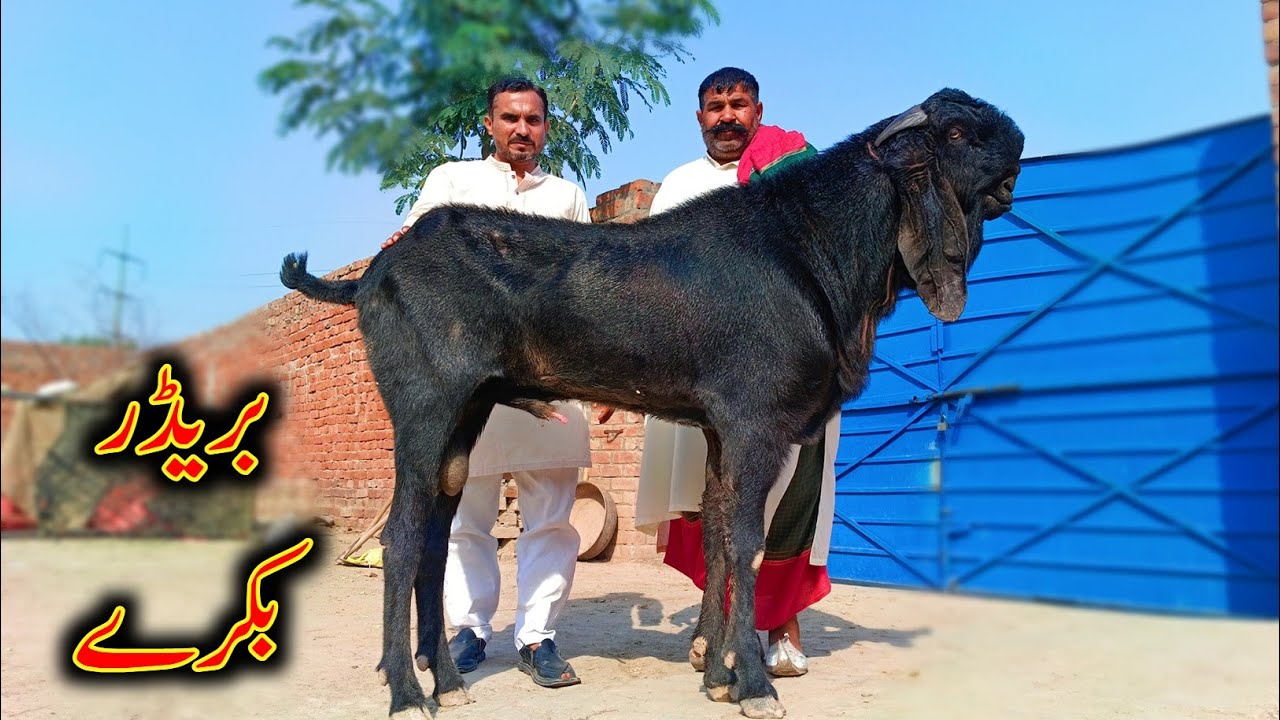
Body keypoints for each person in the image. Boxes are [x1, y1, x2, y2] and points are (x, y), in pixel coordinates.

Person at [634, 67, 841, 678]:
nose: (727, 116)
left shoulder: (798, 178)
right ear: (699, 117)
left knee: (791, 492)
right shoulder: (681, 186)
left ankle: (783, 625)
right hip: (701, 377)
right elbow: (648, 281)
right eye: (714, 106)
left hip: (786, 376)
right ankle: (718, 620)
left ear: (759, 110)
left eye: (738, 104)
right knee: (711, 496)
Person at [383, 77, 590, 688]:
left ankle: (538, 636)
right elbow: (418, 256)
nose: (522, 129)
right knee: (467, 512)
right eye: (510, 118)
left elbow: (582, 290)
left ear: (546, 127)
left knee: (551, 511)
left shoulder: (568, 196)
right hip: (467, 376)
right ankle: (469, 629)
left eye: (533, 119)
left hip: (550, 374)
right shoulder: (452, 182)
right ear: (489, 125)